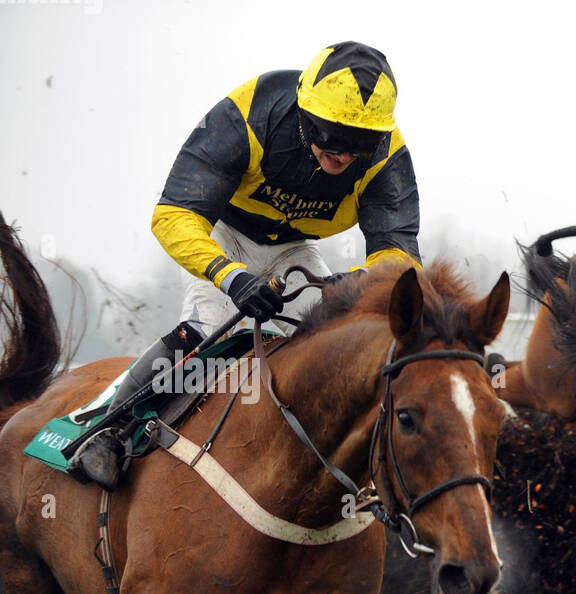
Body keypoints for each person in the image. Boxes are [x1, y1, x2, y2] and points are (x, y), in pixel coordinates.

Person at [67, 41, 421, 490]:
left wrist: (363, 281)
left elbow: (400, 252)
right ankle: (108, 433)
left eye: (361, 144)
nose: (344, 155)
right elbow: (173, 215)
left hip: (294, 248)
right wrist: (230, 276)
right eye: (332, 135)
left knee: (340, 336)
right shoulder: (249, 112)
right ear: (305, 113)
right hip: (223, 235)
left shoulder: (388, 154)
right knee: (208, 326)